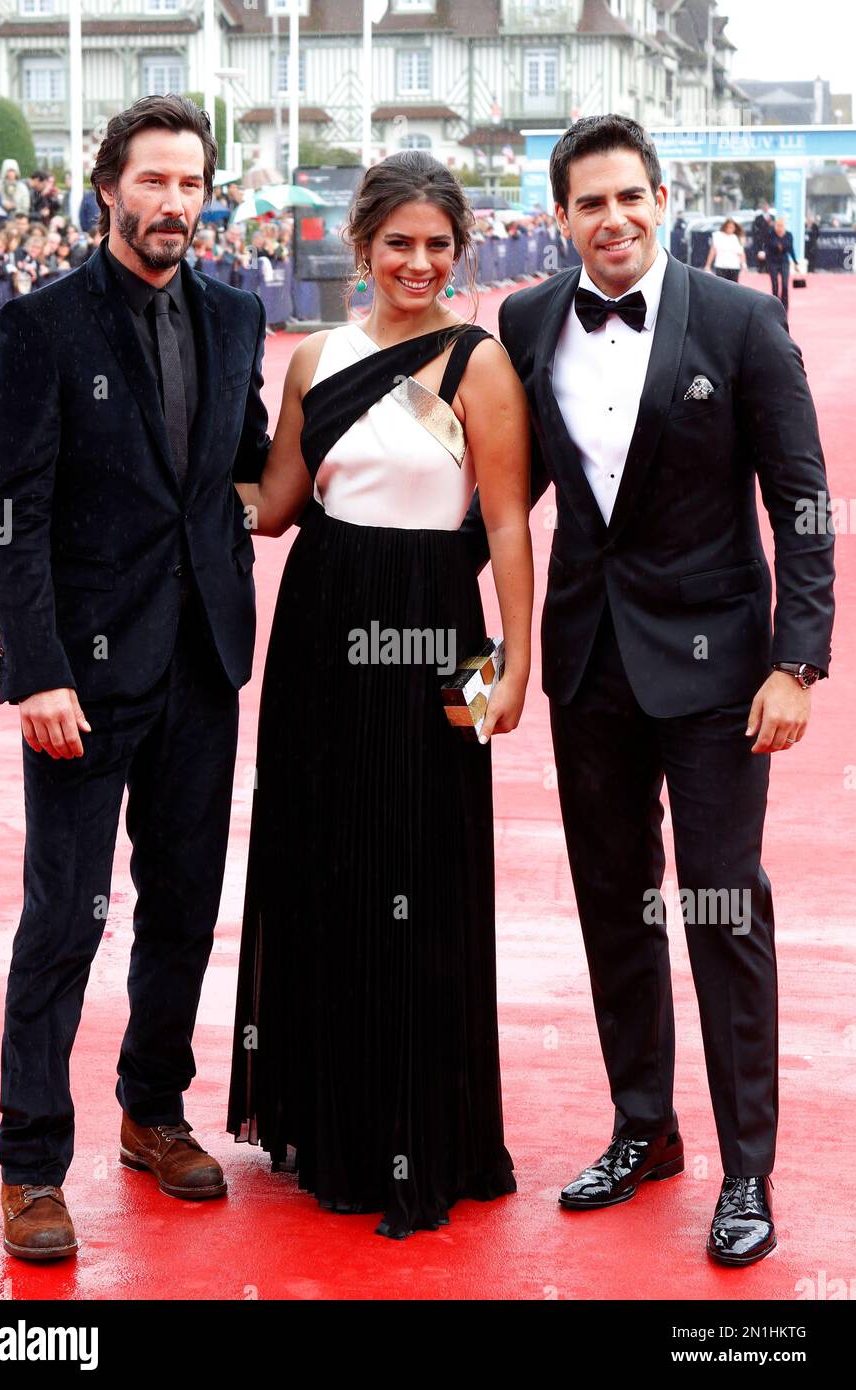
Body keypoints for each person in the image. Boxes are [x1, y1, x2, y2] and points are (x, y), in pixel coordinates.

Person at [460, 114, 835, 1266]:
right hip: (590, 664)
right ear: (562, 215)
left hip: (722, 670)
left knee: (723, 913)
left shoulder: (742, 318)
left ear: (662, 199)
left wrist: (797, 660)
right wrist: (416, 606)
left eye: (630, 197)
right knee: (615, 904)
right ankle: (643, 1126)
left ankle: (749, 1169)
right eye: (589, 203)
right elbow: (503, 496)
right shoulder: (522, 321)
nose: (612, 220)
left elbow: (802, 500)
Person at [0, 94, 271, 1261]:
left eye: (191, 184)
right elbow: (13, 515)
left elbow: (251, 468)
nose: (172, 204)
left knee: (185, 907)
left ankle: (153, 1110)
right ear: (106, 187)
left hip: (202, 659)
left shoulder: (239, 315)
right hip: (84, 681)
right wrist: (37, 671)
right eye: (152, 181)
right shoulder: (40, 325)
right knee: (65, 916)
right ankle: (30, 1164)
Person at [226, 150, 532, 1239]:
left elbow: (502, 523)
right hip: (321, 620)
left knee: (423, 861)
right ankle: (326, 1112)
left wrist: (515, 663)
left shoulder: (479, 361)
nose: (418, 261)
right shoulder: (317, 355)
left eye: (438, 245)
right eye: (398, 242)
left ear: (460, 251)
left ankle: (419, 1124)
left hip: (436, 626)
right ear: (361, 247)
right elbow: (274, 502)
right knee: (329, 855)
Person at [764, 215, 798, 312]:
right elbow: (767, 247)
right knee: (775, 286)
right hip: (773, 262)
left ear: (784, 226)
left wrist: (795, 262)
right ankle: (775, 308)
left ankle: (784, 308)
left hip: (784, 262)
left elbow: (791, 249)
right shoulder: (771, 234)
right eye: (777, 225)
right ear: (775, 226)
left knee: (785, 285)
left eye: (781, 225)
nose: (779, 227)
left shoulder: (789, 235)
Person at [704, 217, 746, 281]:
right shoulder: (718, 236)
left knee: (733, 288)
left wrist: (744, 264)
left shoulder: (737, 238)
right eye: (728, 227)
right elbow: (712, 251)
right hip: (721, 266)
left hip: (734, 267)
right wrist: (708, 265)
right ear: (725, 227)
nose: (730, 229)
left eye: (732, 227)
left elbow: (741, 253)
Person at [751, 202, 773, 273]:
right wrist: (758, 236)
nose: (765, 208)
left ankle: (768, 268)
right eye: (764, 207)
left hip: (770, 240)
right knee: (760, 254)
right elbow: (754, 228)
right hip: (760, 240)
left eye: (767, 207)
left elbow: (774, 228)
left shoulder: (772, 217)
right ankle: (760, 268)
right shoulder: (758, 218)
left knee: (769, 253)